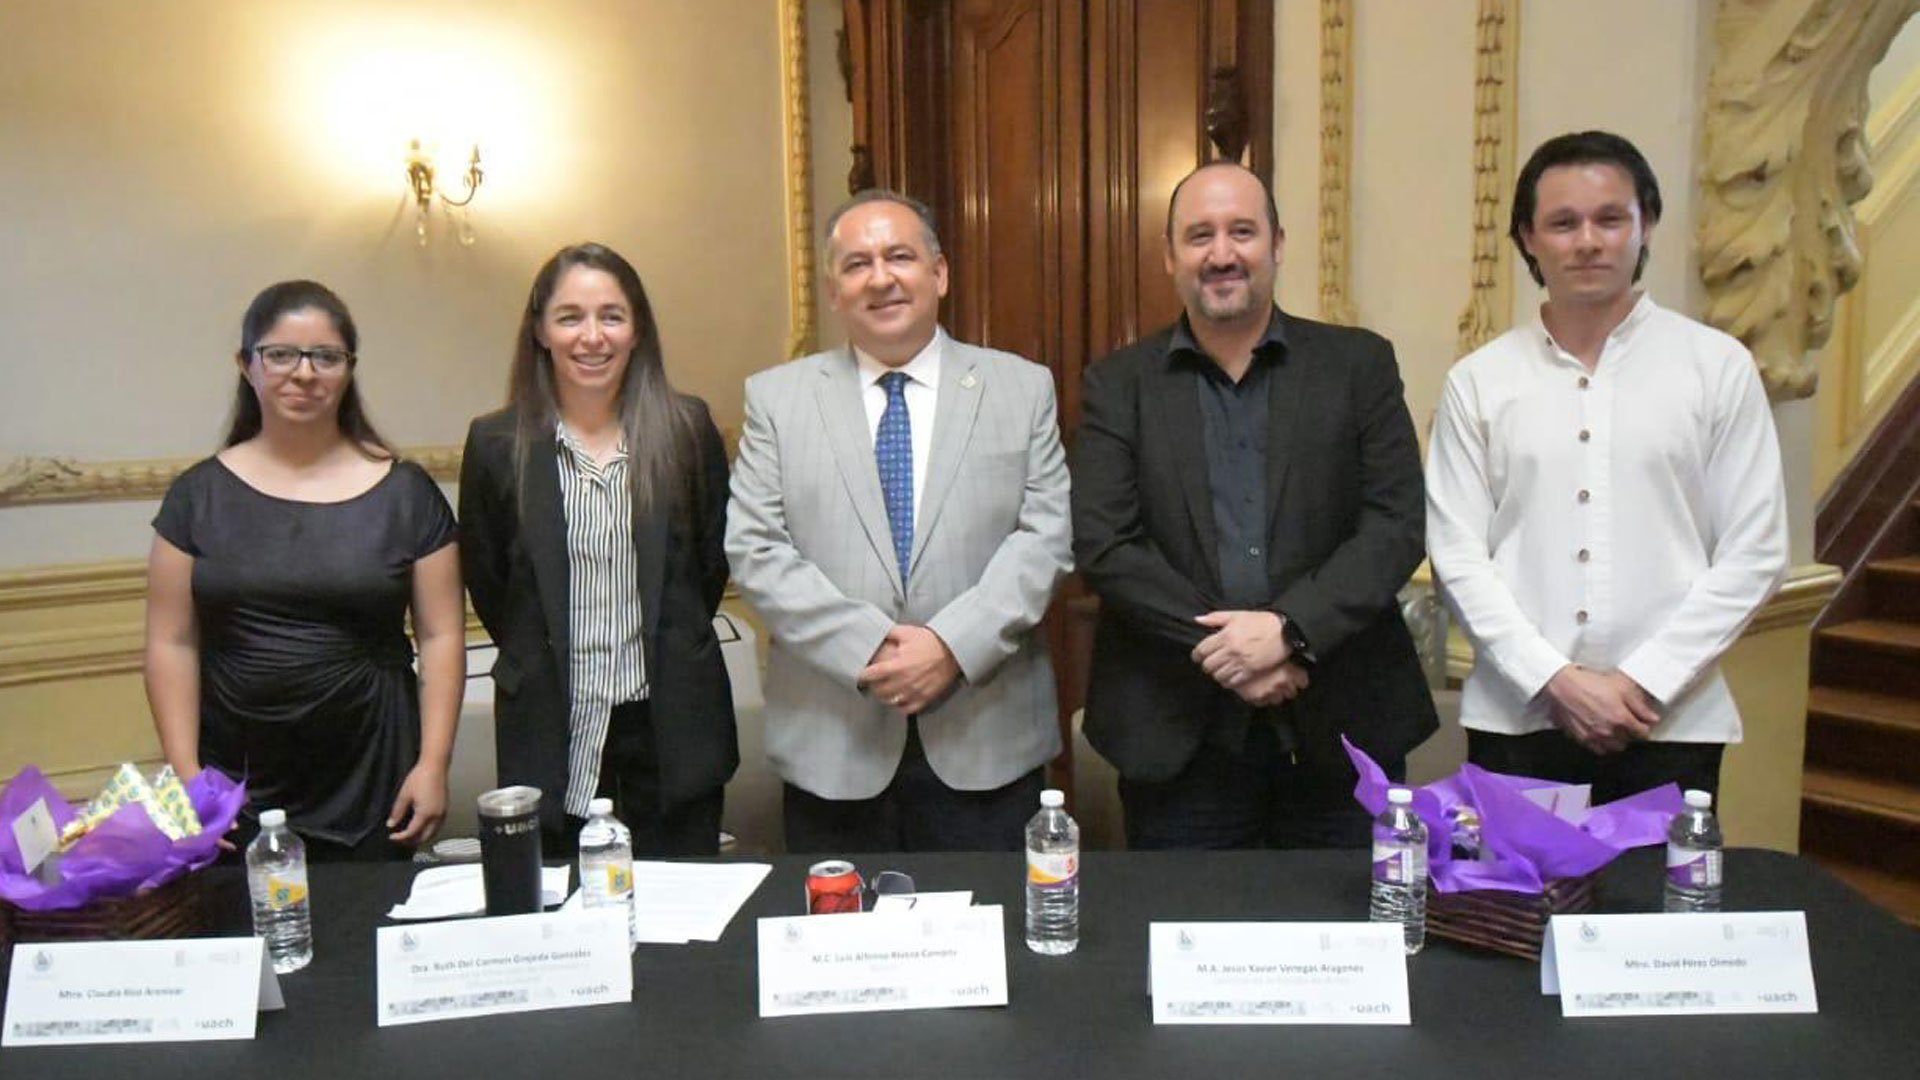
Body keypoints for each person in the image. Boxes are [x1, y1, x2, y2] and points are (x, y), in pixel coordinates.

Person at [1072, 161, 1436, 850]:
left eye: (1242, 232)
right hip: (1178, 737)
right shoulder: (1119, 384)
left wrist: (1290, 630)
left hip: (1344, 726)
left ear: (1278, 244)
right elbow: (1106, 544)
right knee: (1189, 920)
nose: (1222, 254)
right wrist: (1233, 650)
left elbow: (1394, 526)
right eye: (1199, 235)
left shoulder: (1358, 366)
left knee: (1353, 921)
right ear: (1170, 255)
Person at [1426, 130, 1788, 802]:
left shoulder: (1716, 368)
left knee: (1661, 878)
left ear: (1645, 224)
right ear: (1528, 238)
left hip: (1671, 723)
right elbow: (1457, 556)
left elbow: (1756, 552)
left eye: (1610, 219)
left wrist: (1641, 681)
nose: (1588, 241)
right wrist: (1555, 681)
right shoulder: (1479, 382)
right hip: (1519, 723)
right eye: (1564, 223)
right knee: (1515, 879)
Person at [726, 190, 1071, 853]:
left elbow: (1045, 539)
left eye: (900, 257)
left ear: (938, 274)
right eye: (857, 264)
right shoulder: (776, 399)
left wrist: (950, 647)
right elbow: (756, 549)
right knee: (841, 923)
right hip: (833, 744)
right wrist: (871, 650)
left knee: (992, 920)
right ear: (834, 291)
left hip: (989, 742)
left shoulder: (1022, 388)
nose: (880, 278)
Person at [145, 280, 463, 859]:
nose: (304, 373)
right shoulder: (196, 497)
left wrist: (434, 764)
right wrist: (186, 775)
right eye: (281, 354)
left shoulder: (407, 493)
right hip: (233, 777)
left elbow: (442, 638)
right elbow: (172, 643)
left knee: (374, 910)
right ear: (246, 365)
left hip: (374, 766)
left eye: (325, 356)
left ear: (349, 369)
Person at [460, 243, 735, 856]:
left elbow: (707, 569)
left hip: (670, 726)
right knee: (561, 907)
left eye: (612, 316)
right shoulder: (497, 443)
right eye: (570, 317)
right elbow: (494, 585)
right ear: (540, 331)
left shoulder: (686, 429)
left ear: (637, 330)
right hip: (550, 725)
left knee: (685, 905)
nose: (592, 337)